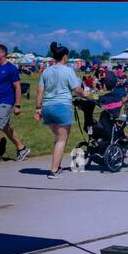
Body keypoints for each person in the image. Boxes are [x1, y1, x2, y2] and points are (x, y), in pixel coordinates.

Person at [35, 41, 88, 177]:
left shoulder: (46, 71)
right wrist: (85, 93)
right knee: (62, 139)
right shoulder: (68, 71)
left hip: (47, 107)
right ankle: (54, 170)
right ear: (64, 56)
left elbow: (40, 91)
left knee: (58, 137)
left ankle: (56, 165)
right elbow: (77, 90)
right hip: (62, 107)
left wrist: (38, 108)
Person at [0, 43, 31, 165]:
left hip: (7, 101)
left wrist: (18, 105)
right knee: (5, 127)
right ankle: (22, 148)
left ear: (3, 53)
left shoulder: (11, 68)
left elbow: (18, 88)